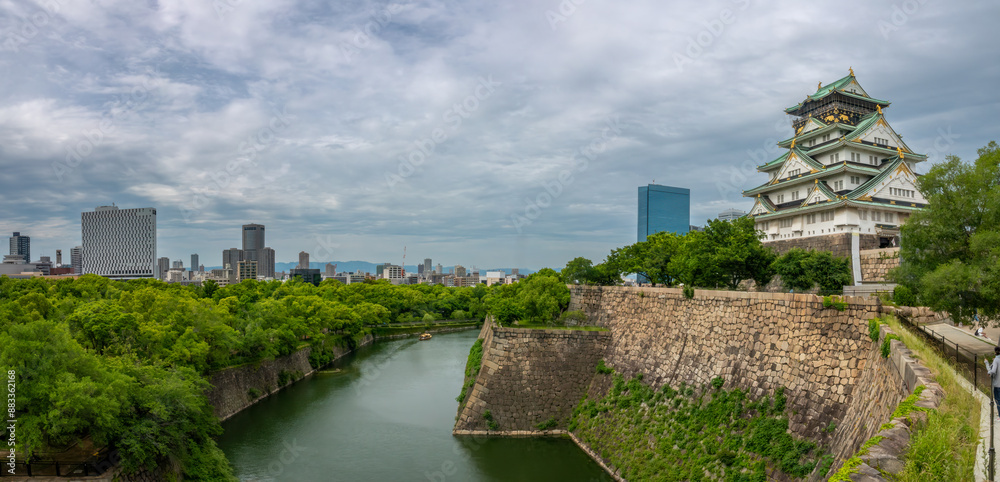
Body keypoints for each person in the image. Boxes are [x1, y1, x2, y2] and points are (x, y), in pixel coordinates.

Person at [985, 346, 1000, 417]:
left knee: (998, 400)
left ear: (995, 352)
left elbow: (993, 371)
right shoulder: (996, 360)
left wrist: (989, 373)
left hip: (997, 384)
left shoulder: (996, 360)